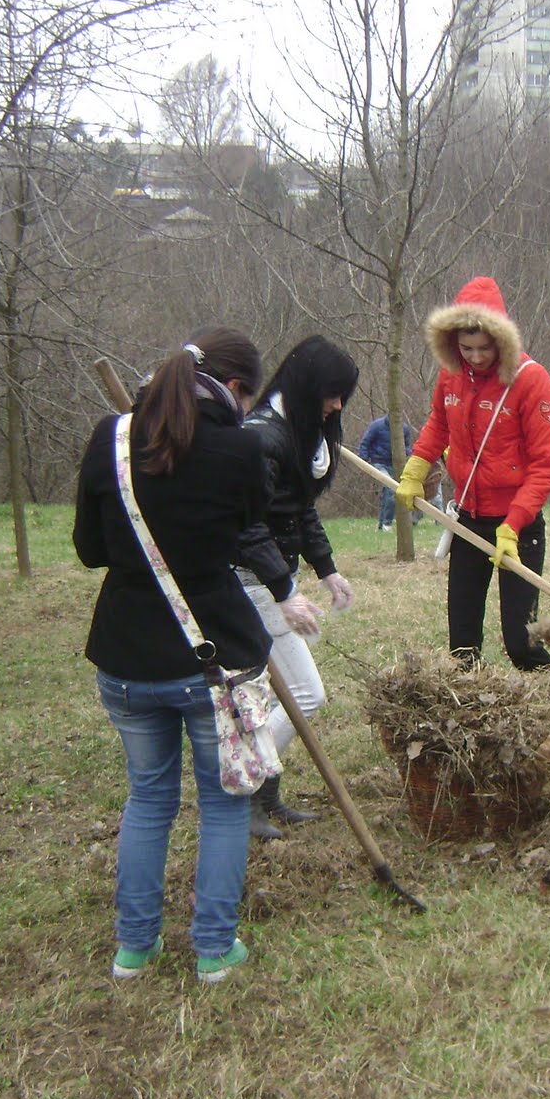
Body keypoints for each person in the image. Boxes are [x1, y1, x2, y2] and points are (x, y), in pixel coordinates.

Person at [73, 326, 267, 984]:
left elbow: (91, 550)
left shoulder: (112, 439)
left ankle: (135, 947)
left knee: (149, 798)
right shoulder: (241, 452)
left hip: (126, 661)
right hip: (209, 663)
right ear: (235, 390)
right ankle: (213, 949)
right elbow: (241, 536)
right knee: (223, 802)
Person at [395, 276, 550, 671]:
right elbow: (439, 423)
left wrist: (514, 524)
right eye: (464, 348)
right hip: (468, 522)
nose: (474, 357)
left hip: (516, 527)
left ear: (501, 341)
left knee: (521, 643)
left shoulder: (531, 380)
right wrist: (416, 469)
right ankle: (471, 716)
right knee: (462, 647)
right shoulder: (451, 374)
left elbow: (546, 464)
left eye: (483, 348)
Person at [235, 335, 359, 839]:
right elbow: (248, 526)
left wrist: (326, 569)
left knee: (275, 694)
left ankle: (261, 796)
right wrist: (285, 592)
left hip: (268, 576)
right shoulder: (263, 437)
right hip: (247, 579)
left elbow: (298, 509)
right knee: (305, 695)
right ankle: (247, 791)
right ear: (308, 387)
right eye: (332, 394)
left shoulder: (300, 430)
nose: (337, 405)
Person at [359, 413, 417, 529]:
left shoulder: (404, 428)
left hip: (396, 465)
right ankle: (387, 524)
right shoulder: (376, 426)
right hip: (379, 463)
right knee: (390, 490)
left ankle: (384, 524)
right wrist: (363, 460)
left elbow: (405, 446)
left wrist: (412, 457)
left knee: (400, 491)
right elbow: (365, 443)